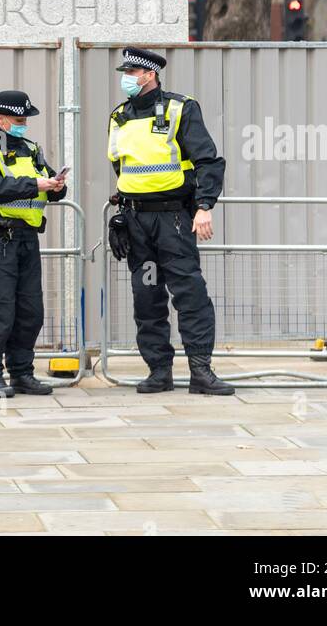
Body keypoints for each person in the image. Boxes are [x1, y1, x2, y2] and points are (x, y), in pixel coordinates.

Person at [107, 47, 234, 395]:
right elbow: (122, 167)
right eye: (126, 72)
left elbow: (208, 161)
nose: (127, 78)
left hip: (174, 220)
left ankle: (200, 371)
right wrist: (122, 206)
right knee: (146, 296)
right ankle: (158, 371)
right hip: (137, 223)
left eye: (132, 73)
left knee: (190, 294)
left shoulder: (181, 108)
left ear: (150, 75)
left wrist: (204, 205)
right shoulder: (119, 116)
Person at [0, 89, 67, 397]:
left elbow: (49, 185)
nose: (24, 124)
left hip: (26, 239)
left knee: (29, 311)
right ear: (1, 119)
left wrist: (57, 185)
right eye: (19, 119)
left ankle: (22, 373)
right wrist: (35, 184)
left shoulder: (31, 149)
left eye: (26, 119)